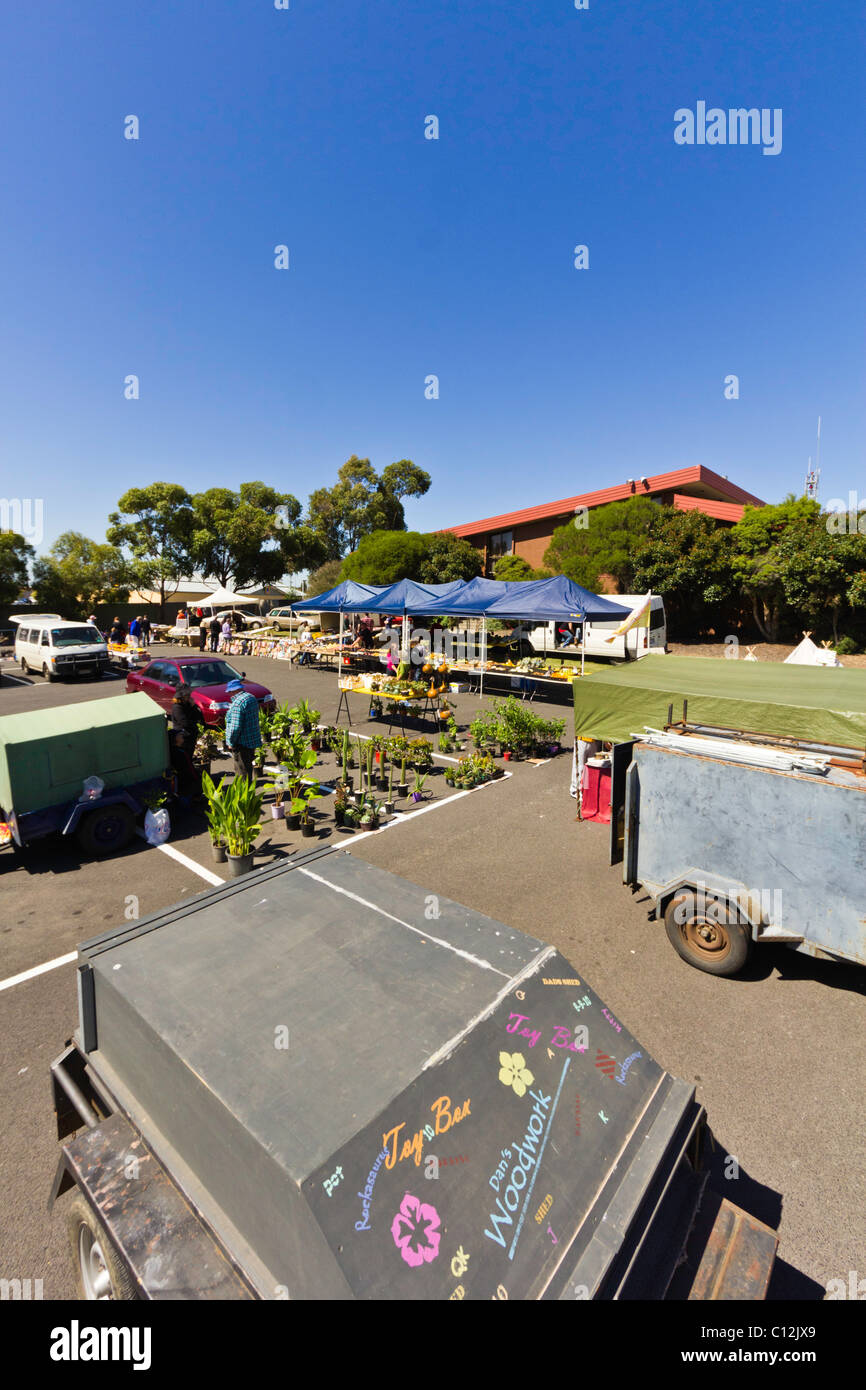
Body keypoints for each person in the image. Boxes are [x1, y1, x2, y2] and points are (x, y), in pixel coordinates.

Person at [169, 683, 203, 798]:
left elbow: (198, 716)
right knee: (185, 762)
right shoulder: (177, 707)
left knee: (189, 759)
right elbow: (185, 723)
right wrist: (194, 726)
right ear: (181, 696)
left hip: (190, 737)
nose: (189, 696)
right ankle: (187, 788)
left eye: (189, 694)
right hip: (183, 739)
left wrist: (193, 706)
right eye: (187, 695)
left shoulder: (187, 704)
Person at [224, 680, 261, 782]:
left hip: (241, 743)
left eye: (229, 691)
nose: (228, 694)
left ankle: (244, 797)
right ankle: (248, 794)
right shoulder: (251, 698)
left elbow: (235, 727)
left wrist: (231, 742)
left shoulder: (238, 703)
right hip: (252, 741)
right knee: (248, 769)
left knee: (242, 774)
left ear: (233, 690)